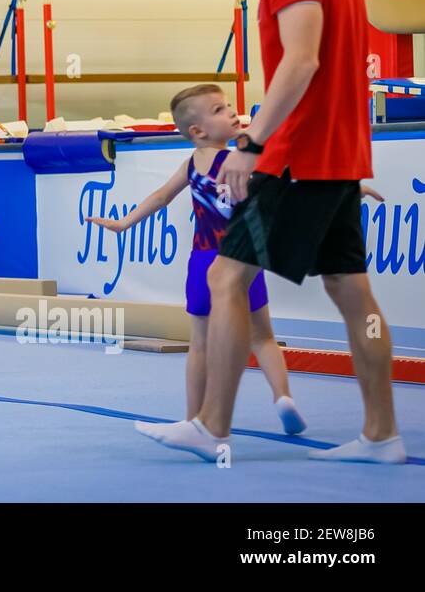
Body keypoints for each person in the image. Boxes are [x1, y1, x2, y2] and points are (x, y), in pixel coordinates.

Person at [136, 0, 405, 464]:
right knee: (352, 291)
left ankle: (211, 426)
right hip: (339, 153)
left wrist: (253, 142)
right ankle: (382, 434)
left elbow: (303, 62)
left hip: (297, 157)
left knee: (225, 280)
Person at [87, 84, 306, 431]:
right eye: (220, 110)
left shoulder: (192, 164)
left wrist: (123, 223)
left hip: (205, 261)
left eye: (229, 105)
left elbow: (160, 198)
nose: (233, 112)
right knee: (262, 336)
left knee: (200, 345)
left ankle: (193, 419)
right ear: (197, 130)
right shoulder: (239, 163)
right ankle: (283, 397)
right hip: (244, 261)